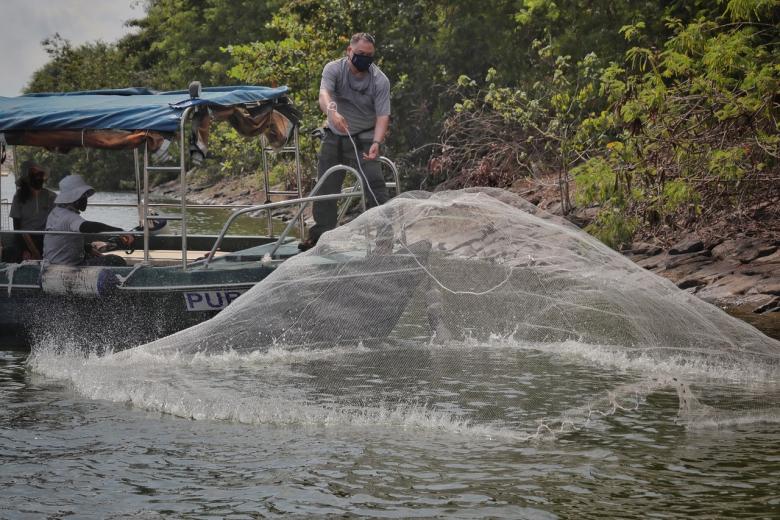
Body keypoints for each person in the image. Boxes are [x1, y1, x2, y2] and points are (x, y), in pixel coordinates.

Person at [299, 32, 392, 250]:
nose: (364, 58)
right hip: (335, 134)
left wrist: (377, 142)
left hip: (365, 136)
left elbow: (383, 116)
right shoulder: (334, 69)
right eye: (360, 53)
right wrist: (332, 113)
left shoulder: (380, 80)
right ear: (349, 51)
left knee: (375, 184)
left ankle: (384, 242)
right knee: (326, 186)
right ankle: (320, 237)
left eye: (369, 55)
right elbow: (324, 95)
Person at [43, 174, 134, 266]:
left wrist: (88, 248)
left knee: (97, 257)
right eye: (83, 196)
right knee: (115, 260)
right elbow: (87, 226)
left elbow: (64, 241)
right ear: (75, 198)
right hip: (67, 265)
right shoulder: (69, 217)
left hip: (55, 260)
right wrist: (119, 231)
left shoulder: (55, 212)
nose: (86, 200)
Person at [9, 161, 56, 261]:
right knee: (17, 255)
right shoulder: (19, 196)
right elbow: (17, 226)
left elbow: (55, 222)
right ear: (28, 178)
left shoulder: (51, 196)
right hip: (24, 238)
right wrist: (25, 249)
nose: (39, 178)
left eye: (41, 175)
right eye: (35, 175)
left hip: (45, 238)